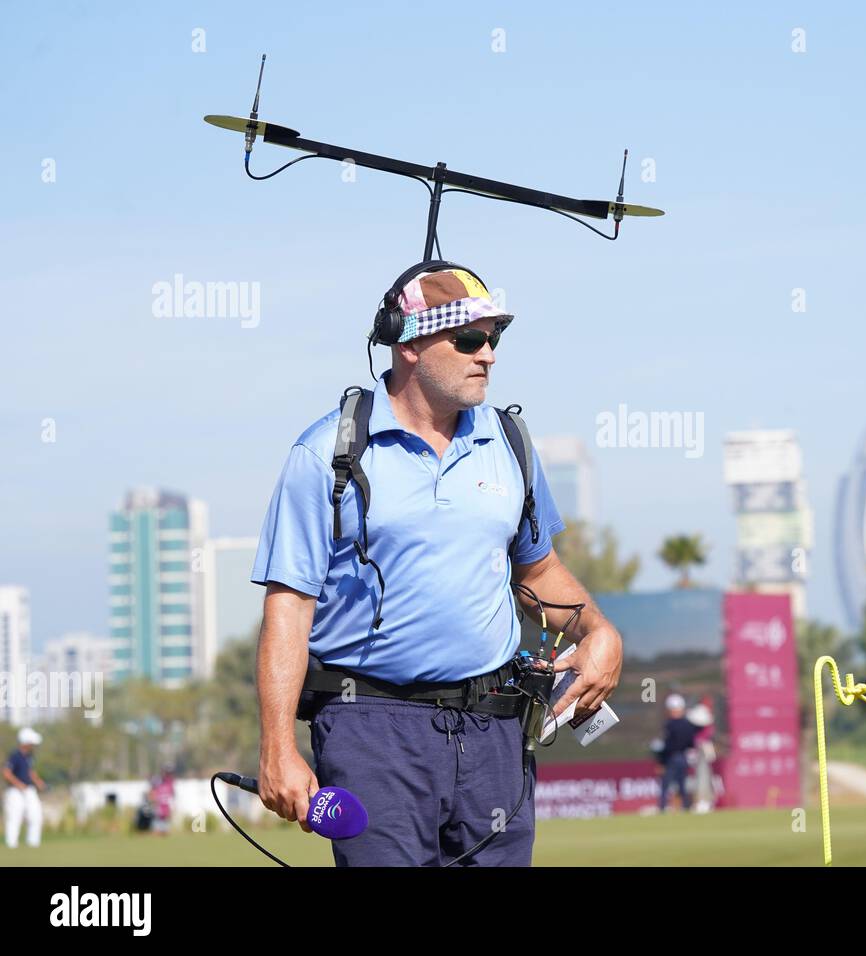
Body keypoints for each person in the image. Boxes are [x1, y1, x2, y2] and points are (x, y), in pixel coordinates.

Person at [251, 263, 623, 866]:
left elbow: (536, 572)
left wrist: (597, 630)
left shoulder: (511, 443)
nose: (489, 356)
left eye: (494, 338)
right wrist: (276, 745)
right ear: (410, 346)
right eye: (469, 339)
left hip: (496, 731)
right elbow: (289, 608)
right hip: (373, 730)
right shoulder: (326, 453)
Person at [3, 728, 46, 849]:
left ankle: (33, 843)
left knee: (36, 815)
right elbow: (6, 772)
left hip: (29, 790)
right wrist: (18, 784)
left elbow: (30, 772)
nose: (33, 745)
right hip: (15, 791)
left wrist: (38, 782)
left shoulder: (29, 756)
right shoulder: (15, 756)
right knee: (14, 817)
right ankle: (11, 844)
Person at [657, 694, 699, 813]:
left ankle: (663, 807)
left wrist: (661, 760)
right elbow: (691, 742)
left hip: (671, 758)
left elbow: (667, 745)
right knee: (682, 784)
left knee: (666, 784)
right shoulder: (688, 724)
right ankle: (686, 806)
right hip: (683, 757)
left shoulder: (669, 725)